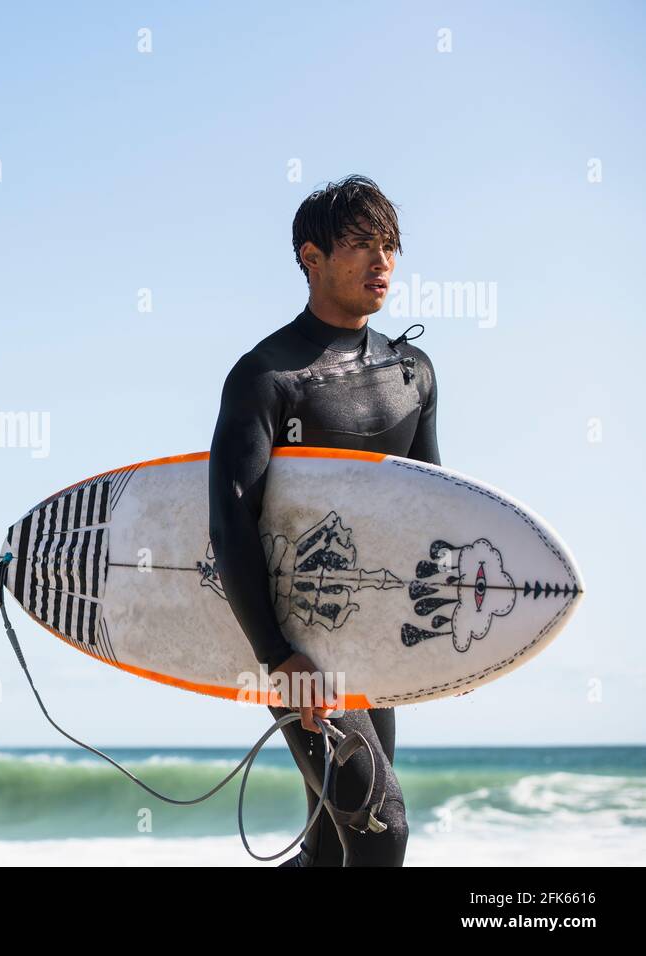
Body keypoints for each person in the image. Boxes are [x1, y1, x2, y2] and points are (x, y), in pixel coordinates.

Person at [207, 175, 441, 866]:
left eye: (390, 246)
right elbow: (232, 527)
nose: (382, 262)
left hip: (372, 649)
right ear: (311, 257)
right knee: (381, 832)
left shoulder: (412, 374)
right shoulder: (266, 377)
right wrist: (281, 659)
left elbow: (427, 512)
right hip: (298, 648)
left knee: (334, 846)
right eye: (362, 244)